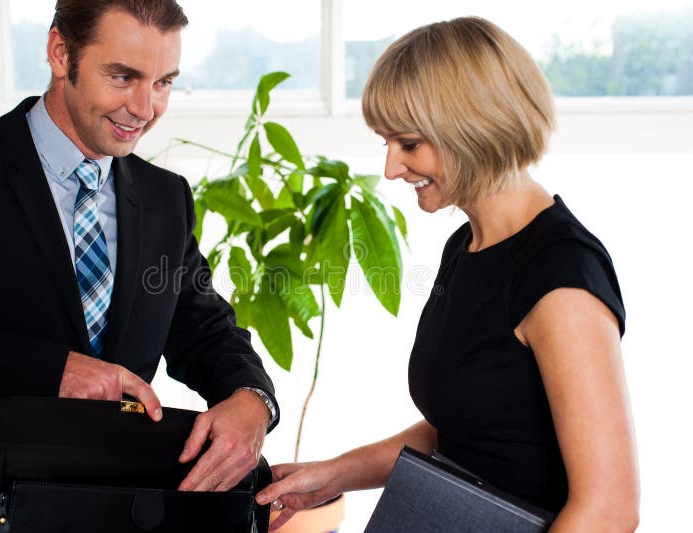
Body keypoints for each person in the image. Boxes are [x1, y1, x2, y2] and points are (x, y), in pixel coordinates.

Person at [256, 16, 640, 530]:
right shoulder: (468, 244)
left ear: (474, 129)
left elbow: (609, 511)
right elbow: (462, 433)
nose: (391, 168)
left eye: (409, 144)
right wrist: (331, 476)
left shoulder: (561, 276)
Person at [0, 0, 278, 493]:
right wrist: (50, 372)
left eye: (163, 83)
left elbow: (203, 328)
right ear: (59, 54)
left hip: (124, 508)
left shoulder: (166, 197)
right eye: (123, 77)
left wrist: (251, 398)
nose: (145, 109)